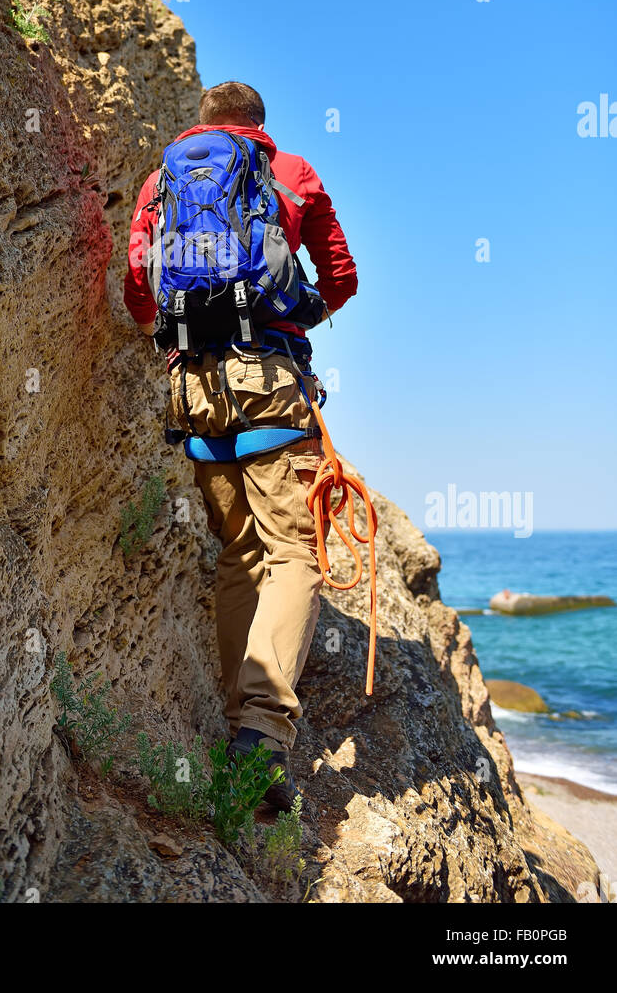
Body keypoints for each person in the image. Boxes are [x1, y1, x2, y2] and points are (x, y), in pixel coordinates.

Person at [124, 81, 357, 809]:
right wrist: (299, 311)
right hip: (270, 378)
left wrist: (179, 332)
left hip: (191, 386)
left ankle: (240, 726)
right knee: (293, 551)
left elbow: (139, 281)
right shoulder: (288, 171)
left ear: (202, 126)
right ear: (259, 126)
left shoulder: (161, 180)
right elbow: (342, 275)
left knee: (240, 554)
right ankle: (259, 733)